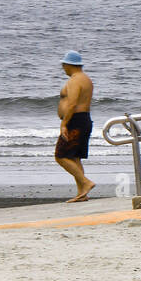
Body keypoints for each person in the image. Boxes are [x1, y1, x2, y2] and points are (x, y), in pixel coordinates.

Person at [56, 51, 96, 202]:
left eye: (63, 65)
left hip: (75, 121)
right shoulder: (86, 79)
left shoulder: (74, 80)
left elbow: (72, 103)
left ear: (68, 65)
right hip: (84, 119)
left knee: (61, 156)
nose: (63, 68)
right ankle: (82, 193)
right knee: (75, 157)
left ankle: (86, 182)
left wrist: (64, 124)